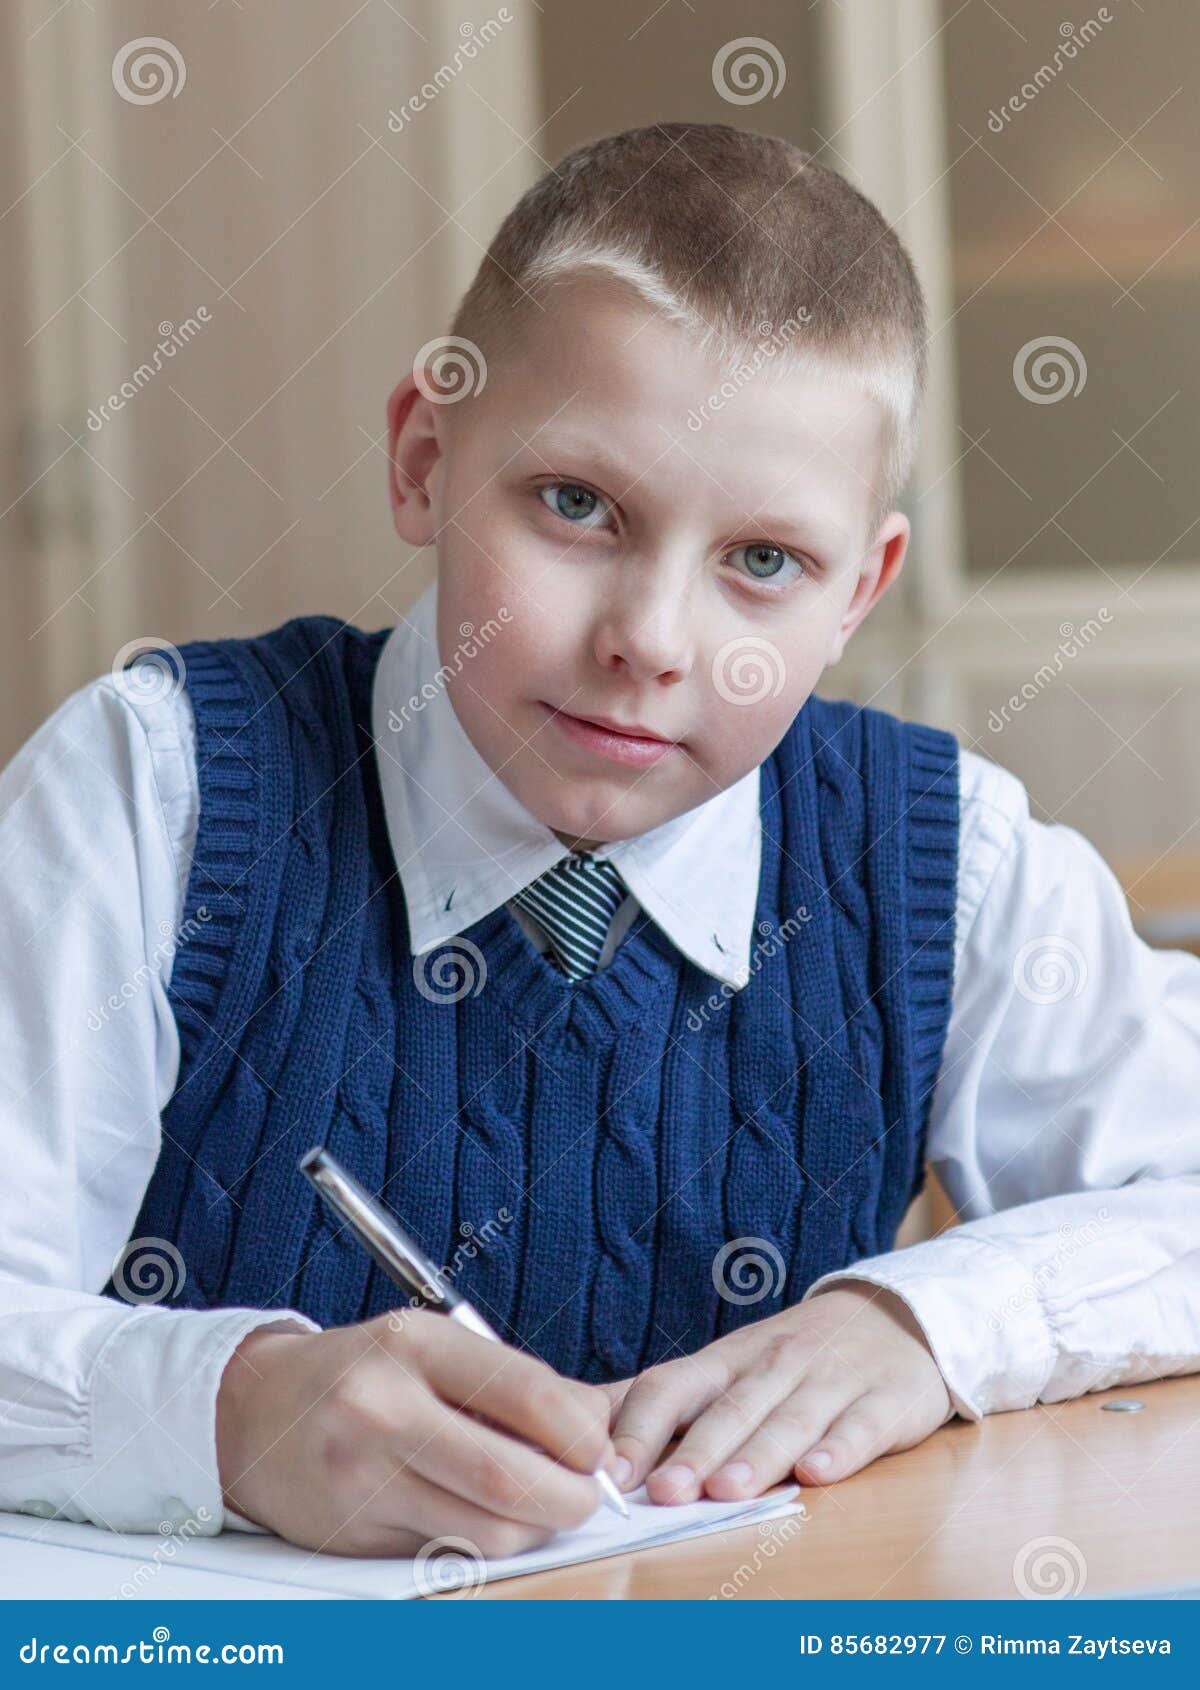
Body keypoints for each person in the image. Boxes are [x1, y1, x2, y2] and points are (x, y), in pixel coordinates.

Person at [1, 123, 1197, 1559]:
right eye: (578, 506)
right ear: (426, 461)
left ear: (857, 594)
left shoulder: (951, 858)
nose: (649, 641)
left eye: (765, 562)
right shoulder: (157, 787)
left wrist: (921, 1321)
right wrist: (229, 1411)